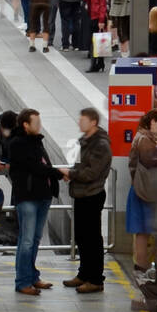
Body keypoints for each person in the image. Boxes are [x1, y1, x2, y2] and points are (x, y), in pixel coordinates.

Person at [8, 109, 59, 297]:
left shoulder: (37, 141)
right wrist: (59, 173)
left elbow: (44, 164)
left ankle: (32, 276)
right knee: (27, 241)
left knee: (35, 239)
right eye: (36, 123)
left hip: (43, 195)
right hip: (27, 197)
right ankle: (23, 282)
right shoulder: (17, 143)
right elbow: (36, 167)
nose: (39, 126)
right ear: (25, 125)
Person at [61, 107, 111, 293]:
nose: (79, 122)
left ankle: (96, 279)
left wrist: (71, 174)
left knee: (92, 238)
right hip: (81, 193)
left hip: (92, 194)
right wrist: (73, 173)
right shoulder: (85, 141)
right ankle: (84, 274)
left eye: (83, 120)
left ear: (93, 122)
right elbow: (80, 165)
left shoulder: (101, 145)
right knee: (81, 236)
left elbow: (92, 172)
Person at [127, 110, 157, 281]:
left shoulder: (142, 137)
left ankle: (142, 266)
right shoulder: (144, 140)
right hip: (145, 191)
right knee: (146, 231)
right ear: (152, 122)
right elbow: (151, 162)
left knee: (142, 231)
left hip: (139, 189)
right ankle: (145, 266)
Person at [82, 0, 108, 73]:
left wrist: (101, 21)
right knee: (96, 40)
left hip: (98, 17)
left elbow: (103, 6)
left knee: (95, 41)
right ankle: (100, 63)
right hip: (92, 15)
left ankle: (94, 64)